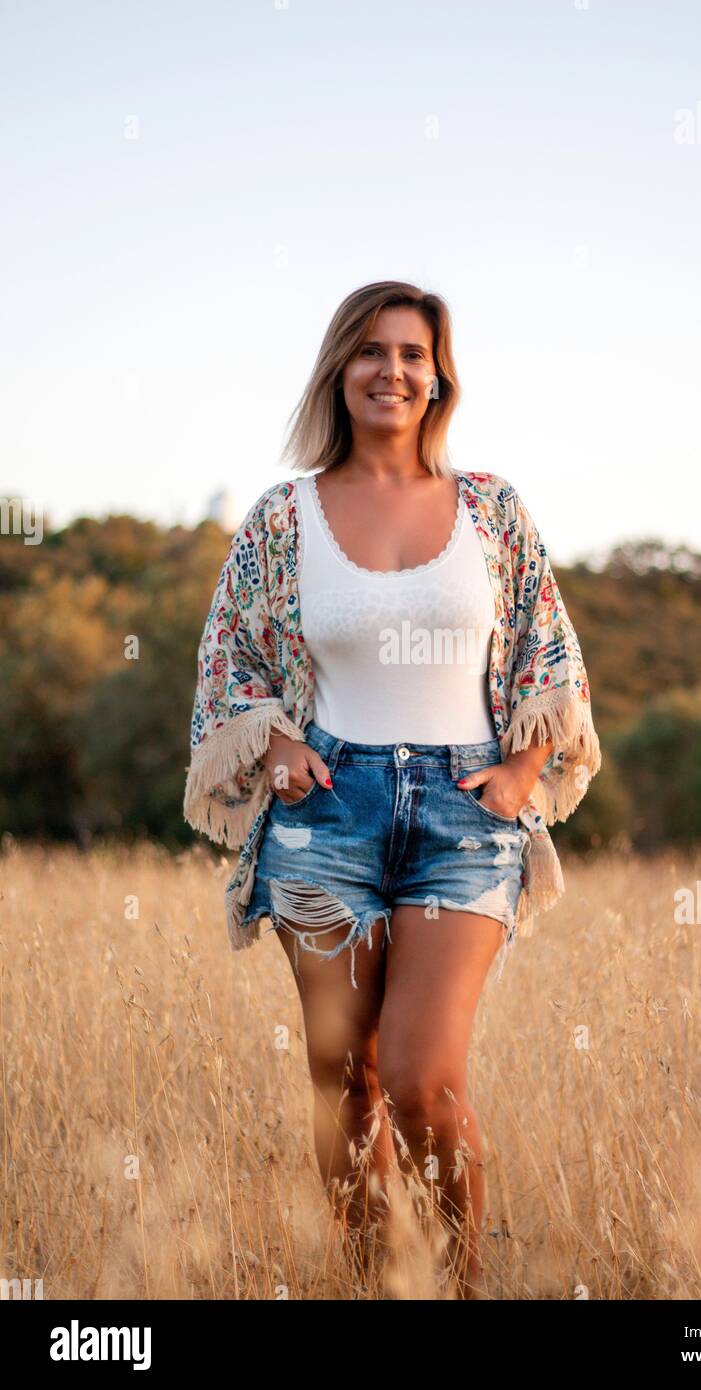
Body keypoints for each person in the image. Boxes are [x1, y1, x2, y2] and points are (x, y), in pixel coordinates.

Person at [183, 280, 601, 1298]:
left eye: (413, 354)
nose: (392, 370)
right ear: (340, 369)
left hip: (464, 816)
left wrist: (519, 771)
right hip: (325, 813)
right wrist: (277, 744)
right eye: (370, 351)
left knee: (420, 1077)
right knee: (347, 1084)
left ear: (437, 376)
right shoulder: (283, 517)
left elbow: (548, 649)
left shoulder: (491, 507)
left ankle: (458, 1290)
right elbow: (229, 653)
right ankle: (373, 1291)